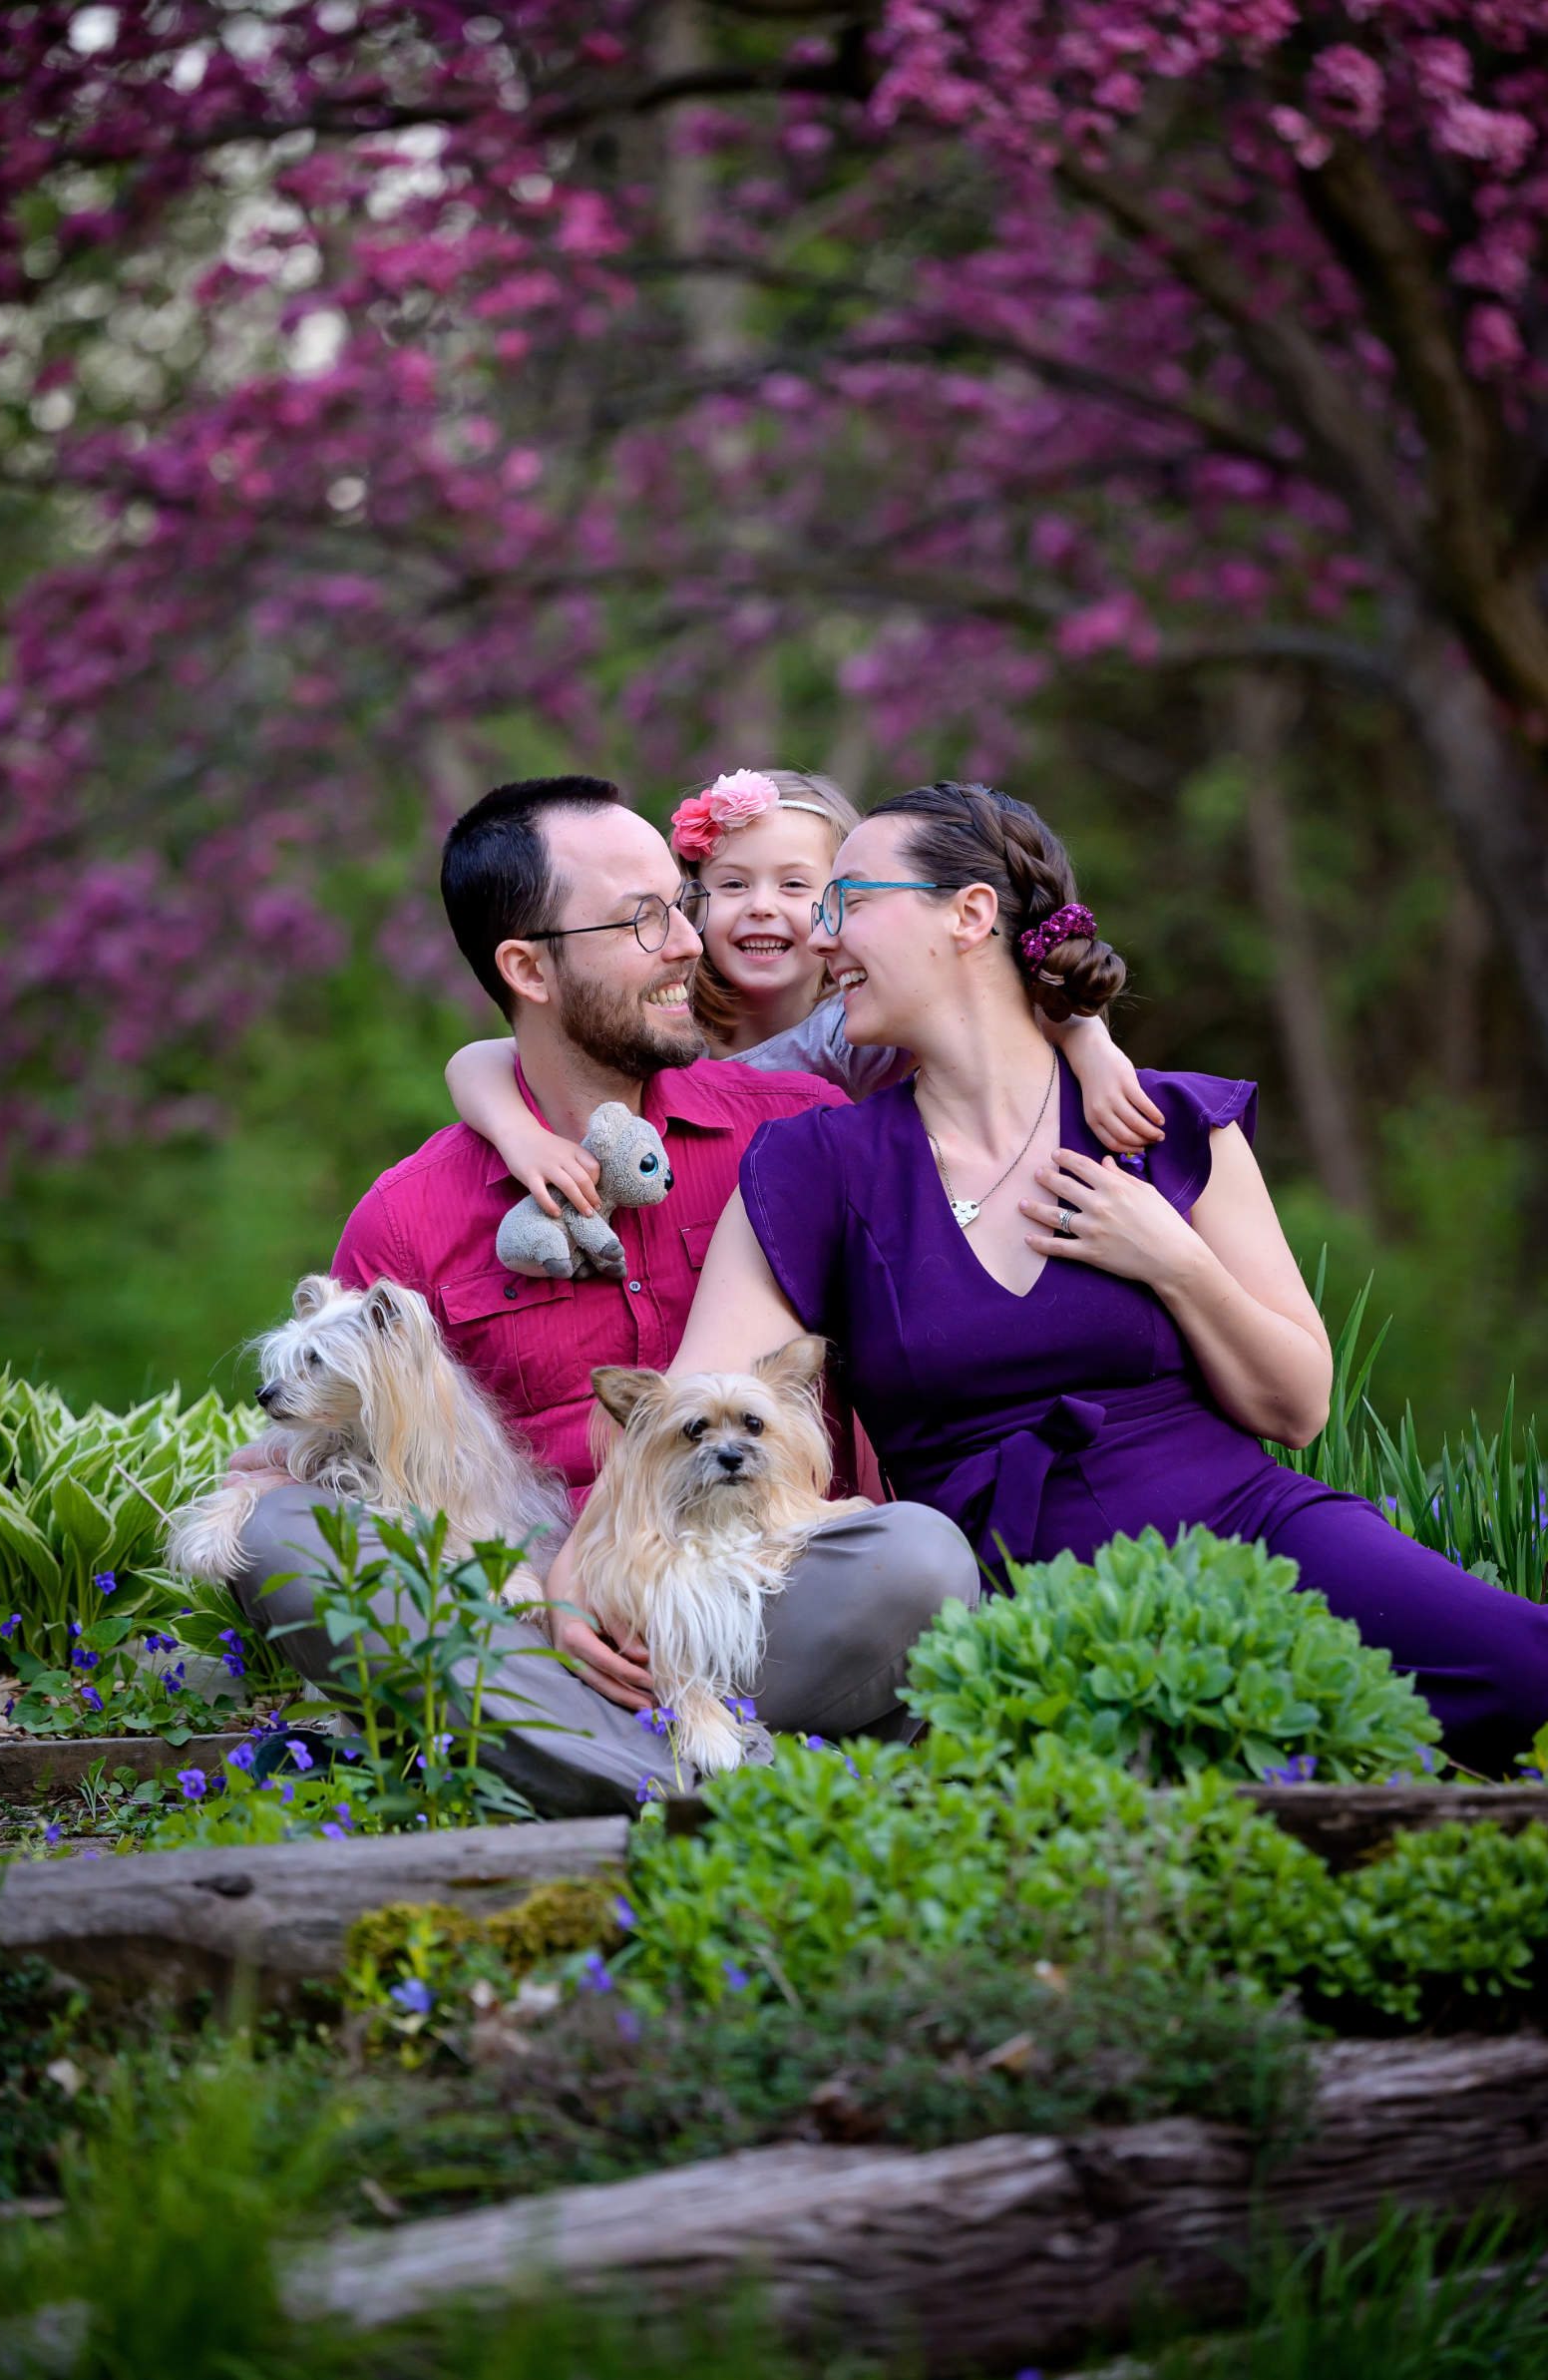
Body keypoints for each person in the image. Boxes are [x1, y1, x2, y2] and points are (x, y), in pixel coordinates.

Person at [637, 779, 1548, 1779]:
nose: (821, 939)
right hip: (1010, 1598)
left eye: (847, 902)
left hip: (1245, 1534)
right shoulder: (812, 1165)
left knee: (1523, 1672)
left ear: (969, 913)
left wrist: (1174, 1259)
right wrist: (605, 1576)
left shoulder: (1162, 1127)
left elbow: (1296, 1407)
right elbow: (695, 1412)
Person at [224, 774, 981, 1816]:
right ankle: (695, 1796)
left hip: (760, 1598)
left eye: (679, 901)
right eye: (642, 919)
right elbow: (333, 1431)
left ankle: (601, 1773)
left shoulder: (796, 1125)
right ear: (528, 965)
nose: (687, 941)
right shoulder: (412, 1214)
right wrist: (281, 1473)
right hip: (535, 1635)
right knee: (278, 1537)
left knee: (918, 1558)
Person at [445, 764, 1164, 1225]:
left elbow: (1022, 992)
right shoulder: (670, 1020)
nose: (761, 907)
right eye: (731, 886)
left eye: (795, 886)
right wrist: (521, 1135)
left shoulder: (860, 1026)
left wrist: (1091, 1043)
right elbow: (482, 1058)